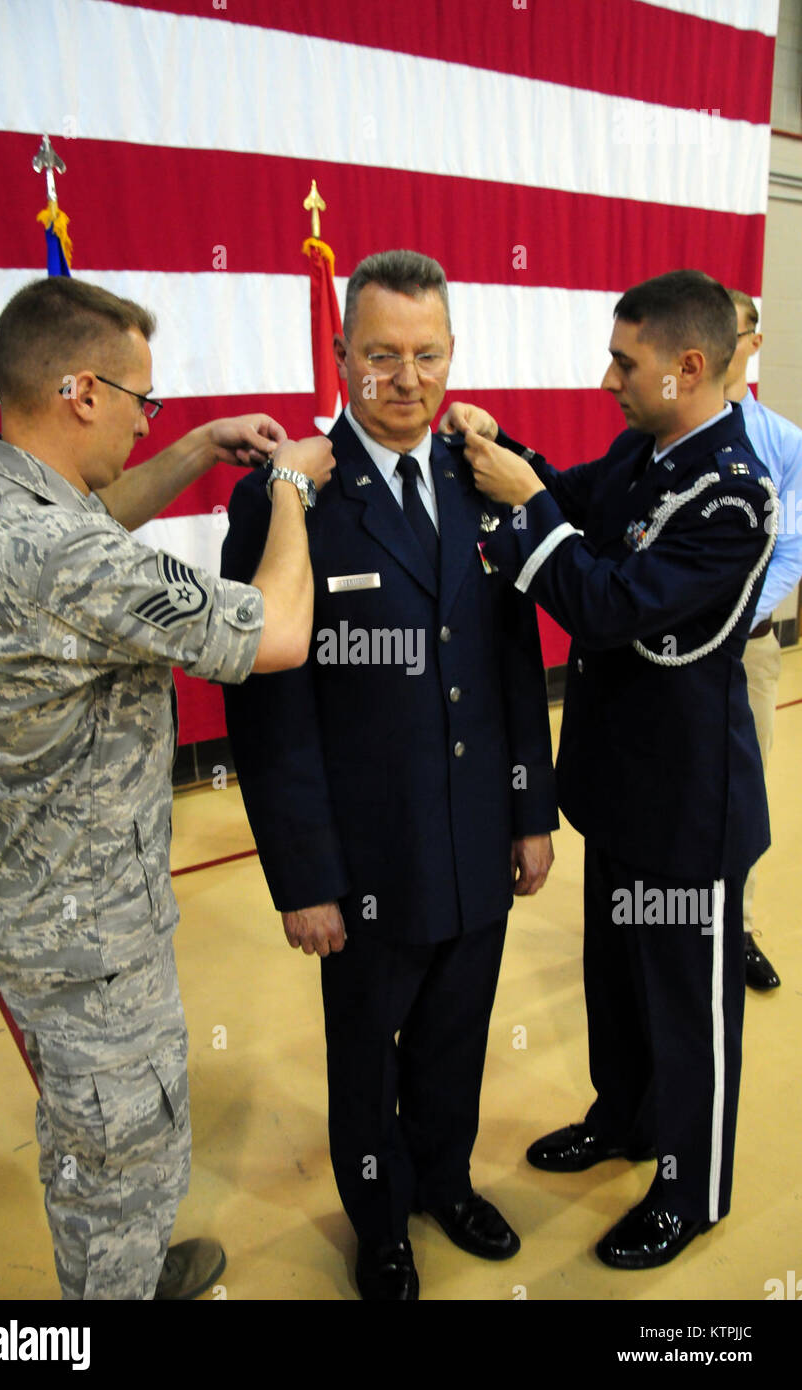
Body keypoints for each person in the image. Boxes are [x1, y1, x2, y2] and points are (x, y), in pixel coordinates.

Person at [0, 275, 334, 1300]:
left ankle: (119, 1264)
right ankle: (114, 1287)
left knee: (87, 1118)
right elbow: (276, 630)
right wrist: (290, 486)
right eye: (140, 400)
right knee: (122, 1137)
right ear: (80, 390)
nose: (143, 416)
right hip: (88, 924)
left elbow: (94, 514)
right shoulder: (66, 556)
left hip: (25, 886)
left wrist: (199, 449)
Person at [220, 249, 557, 1300]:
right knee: (365, 1054)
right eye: (379, 356)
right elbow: (267, 709)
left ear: (450, 354)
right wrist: (306, 876)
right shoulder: (288, 501)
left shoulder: (484, 473)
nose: (404, 378)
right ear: (340, 356)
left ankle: (445, 1180)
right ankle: (381, 1221)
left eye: (425, 355)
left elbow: (511, 661)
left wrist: (527, 808)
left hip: (472, 833)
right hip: (365, 857)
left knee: (457, 1029)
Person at [459, 270, 776, 1269]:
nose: (606, 380)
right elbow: (562, 497)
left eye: (623, 361)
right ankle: (624, 1120)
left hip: (688, 807)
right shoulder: (644, 454)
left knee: (689, 1007)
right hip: (621, 792)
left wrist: (527, 509)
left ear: (687, 368)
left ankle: (692, 1188)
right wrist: (495, 447)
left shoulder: (730, 493)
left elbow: (603, 601)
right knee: (619, 980)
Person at [724, 288, 802, 992]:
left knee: (742, 789)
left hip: (743, 649)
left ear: (750, 343)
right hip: (663, 653)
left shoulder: (781, 443)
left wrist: (730, 619)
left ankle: (735, 929)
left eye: (736, 330)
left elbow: (792, 549)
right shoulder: (659, 435)